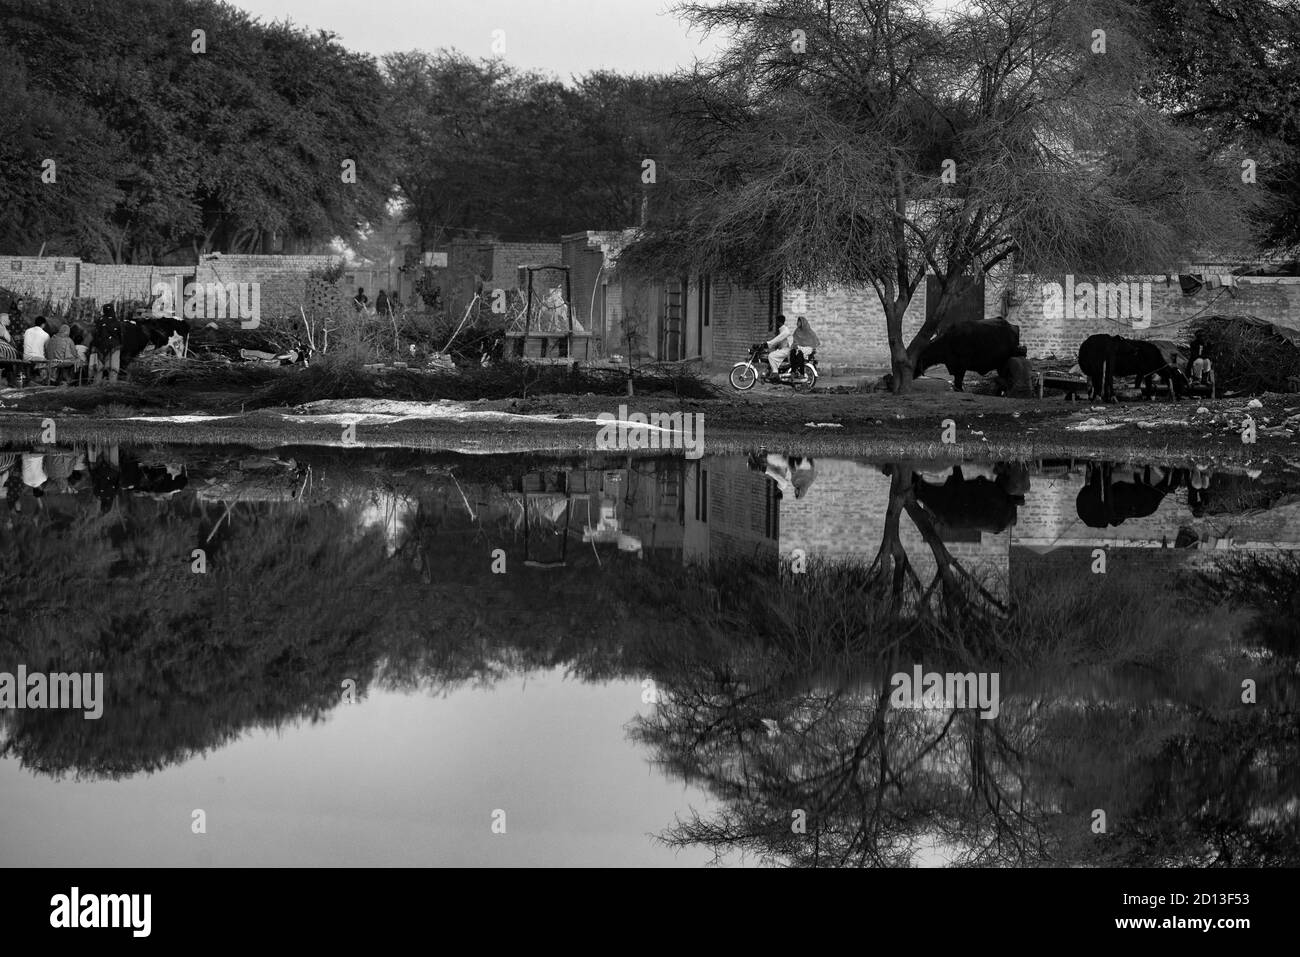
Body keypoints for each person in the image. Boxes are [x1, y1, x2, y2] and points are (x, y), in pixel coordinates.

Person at [92, 304, 123, 383]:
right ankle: (112, 385)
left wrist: (95, 346)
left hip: (101, 347)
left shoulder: (99, 321)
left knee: (99, 368)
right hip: (114, 347)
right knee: (113, 368)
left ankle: (96, 385)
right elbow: (120, 335)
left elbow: (95, 334)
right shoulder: (117, 322)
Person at [22, 316, 51, 382]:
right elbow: (47, 349)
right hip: (38, 358)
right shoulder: (46, 335)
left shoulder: (27, 331)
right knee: (47, 362)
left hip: (26, 357)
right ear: (43, 324)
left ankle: (30, 377)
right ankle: (44, 380)